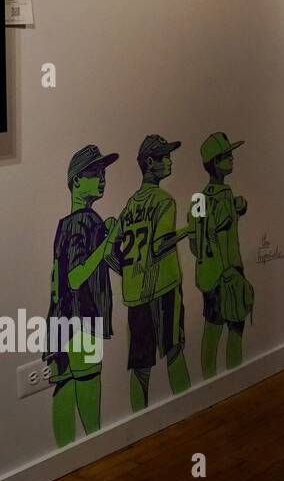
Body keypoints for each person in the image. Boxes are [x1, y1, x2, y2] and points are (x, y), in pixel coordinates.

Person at [46, 145, 121, 447]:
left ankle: (65, 455)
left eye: (103, 173)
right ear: (76, 181)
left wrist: (111, 239)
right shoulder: (85, 221)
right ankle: (96, 450)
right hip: (83, 319)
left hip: (60, 321)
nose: (102, 179)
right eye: (94, 173)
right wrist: (107, 243)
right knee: (88, 384)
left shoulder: (64, 225)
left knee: (64, 386)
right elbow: (76, 277)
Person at [116, 135, 194, 411]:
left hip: (135, 293)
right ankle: (186, 410)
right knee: (174, 351)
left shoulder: (129, 205)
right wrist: (188, 231)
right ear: (150, 162)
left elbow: (114, 253)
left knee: (140, 365)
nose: (170, 161)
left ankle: (138, 419)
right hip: (163, 287)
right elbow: (160, 245)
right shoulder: (164, 200)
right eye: (165, 156)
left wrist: (127, 273)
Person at [191, 133, 254, 380]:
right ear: (216, 162)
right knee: (234, 329)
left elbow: (195, 244)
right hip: (229, 273)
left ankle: (209, 381)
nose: (232, 159)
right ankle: (234, 379)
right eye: (227, 156)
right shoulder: (224, 197)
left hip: (209, 276)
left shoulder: (200, 197)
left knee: (212, 329)